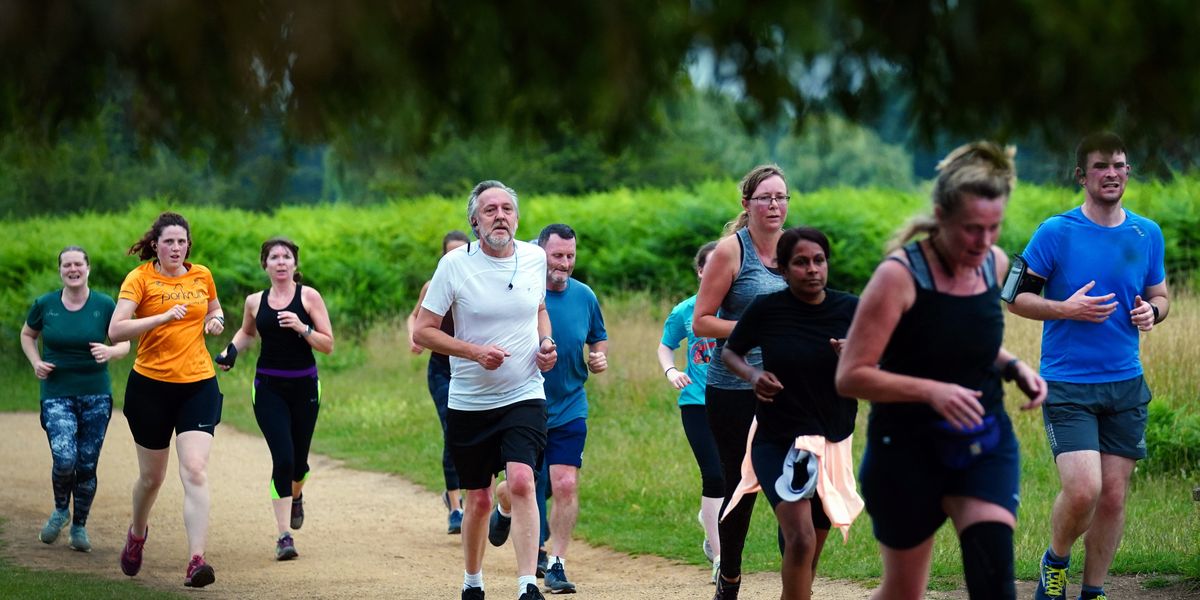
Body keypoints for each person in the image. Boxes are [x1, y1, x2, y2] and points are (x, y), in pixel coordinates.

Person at [836, 141, 1047, 600]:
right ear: (940, 216)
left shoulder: (995, 264)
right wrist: (933, 391)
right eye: (972, 229)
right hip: (906, 452)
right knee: (903, 593)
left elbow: (965, 339)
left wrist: (1013, 365)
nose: (984, 241)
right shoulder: (899, 276)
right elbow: (851, 374)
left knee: (994, 587)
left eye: (994, 227)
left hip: (982, 442)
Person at [1008, 132, 1169, 600]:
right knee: (1084, 490)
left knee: (1114, 496)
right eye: (1101, 166)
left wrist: (1151, 314)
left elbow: (1160, 295)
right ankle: (1055, 562)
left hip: (1125, 385)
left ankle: (1093, 591)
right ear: (1082, 175)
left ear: (1128, 170)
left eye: (1119, 165)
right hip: (1068, 384)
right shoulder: (1056, 231)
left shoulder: (1146, 233)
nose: (1112, 173)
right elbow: (1014, 297)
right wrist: (1065, 309)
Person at [412, 180, 557, 600]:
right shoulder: (454, 265)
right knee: (476, 498)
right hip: (471, 400)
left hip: (525, 392)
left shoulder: (533, 258)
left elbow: (540, 309)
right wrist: (473, 352)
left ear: (517, 217)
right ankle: (473, 581)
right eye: (490, 210)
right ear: (474, 221)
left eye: (507, 208)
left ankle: (528, 584)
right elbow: (423, 331)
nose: (500, 216)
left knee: (522, 481)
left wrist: (546, 344)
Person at [722, 227, 860, 600]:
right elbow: (730, 351)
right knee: (798, 539)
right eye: (801, 262)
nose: (812, 269)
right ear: (783, 269)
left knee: (810, 552)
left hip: (831, 441)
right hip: (777, 439)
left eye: (819, 260)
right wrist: (753, 375)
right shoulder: (768, 309)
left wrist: (855, 356)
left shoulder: (851, 309)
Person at [487, 223, 607, 594]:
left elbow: (597, 338)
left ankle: (555, 562)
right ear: (541, 253)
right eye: (558, 255)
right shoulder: (521, 291)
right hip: (523, 404)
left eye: (570, 256)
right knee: (521, 485)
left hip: (571, 404)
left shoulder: (585, 296)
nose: (565, 263)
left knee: (565, 483)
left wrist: (599, 357)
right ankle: (504, 507)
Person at [109, 211, 225, 588]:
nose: (176, 247)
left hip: (198, 384)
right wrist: (159, 318)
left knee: (194, 469)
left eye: (182, 241)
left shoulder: (201, 274)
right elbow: (116, 330)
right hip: (151, 387)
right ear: (155, 245)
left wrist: (215, 321)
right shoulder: (140, 278)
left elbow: (213, 307)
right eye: (169, 241)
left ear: (188, 243)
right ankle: (138, 532)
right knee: (151, 477)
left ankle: (196, 561)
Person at [693, 164, 789, 600]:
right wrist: (755, 326)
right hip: (733, 389)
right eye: (765, 197)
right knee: (740, 486)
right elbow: (702, 322)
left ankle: (796, 582)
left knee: (794, 484)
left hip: (788, 387)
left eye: (781, 197)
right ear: (746, 204)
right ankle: (729, 576)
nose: (774, 205)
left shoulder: (793, 249)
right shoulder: (731, 253)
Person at [213, 237, 334, 560]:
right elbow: (248, 333)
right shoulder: (255, 301)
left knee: (299, 465)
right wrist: (232, 350)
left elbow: (327, 344)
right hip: (268, 388)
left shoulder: (309, 297)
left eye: (286, 257)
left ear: (295, 264)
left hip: (305, 387)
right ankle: (284, 536)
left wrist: (302, 328)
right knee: (282, 459)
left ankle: (296, 496)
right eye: (274, 257)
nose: (280, 262)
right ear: (264, 264)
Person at [20, 246, 130, 553]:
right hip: (56, 393)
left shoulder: (104, 304)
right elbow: (27, 335)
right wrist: (35, 362)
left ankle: (79, 525)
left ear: (88, 268)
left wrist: (110, 351)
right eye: (66, 265)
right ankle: (60, 510)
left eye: (78, 264)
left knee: (86, 464)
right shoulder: (46, 304)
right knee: (65, 458)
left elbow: (124, 344)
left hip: (96, 393)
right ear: (60, 270)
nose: (73, 269)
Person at [656, 240, 722, 584]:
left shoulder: (739, 307)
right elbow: (666, 346)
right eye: (709, 267)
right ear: (700, 272)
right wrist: (671, 371)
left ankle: (710, 526)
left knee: (738, 479)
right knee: (714, 475)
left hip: (735, 401)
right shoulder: (686, 310)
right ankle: (721, 558)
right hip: (696, 402)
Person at [408, 230, 471, 534]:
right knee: (452, 428)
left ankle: (470, 496)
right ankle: (456, 507)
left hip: (472, 370)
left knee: (473, 432)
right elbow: (415, 316)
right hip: (441, 369)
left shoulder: (477, 284)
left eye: (462, 251)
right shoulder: (432, 286)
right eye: (450, 253)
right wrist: (414, 336)